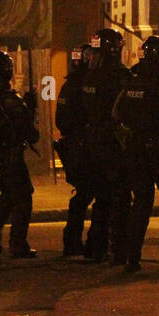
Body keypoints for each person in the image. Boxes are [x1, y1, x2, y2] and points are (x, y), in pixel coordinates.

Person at [112, 35, 159, 272]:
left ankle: (131, 256)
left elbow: (118, 115)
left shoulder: (131, 83)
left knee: (140, 204)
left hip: (135, 151)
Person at [0, 50, 41, 258]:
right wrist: (30, 111)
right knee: (23, 197)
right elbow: (31, 135)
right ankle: (17, 242)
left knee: (9, 194)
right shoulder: (12, 102)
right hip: (10, 158)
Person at [80, 28, 132, 262]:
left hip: (92, 142)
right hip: (112, 143)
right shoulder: (119, 76)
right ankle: (118, 248)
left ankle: (96, 246)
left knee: (102, 196)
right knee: (119, 196)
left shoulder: (89, 76)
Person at [57, 44, 93, 257]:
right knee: (93, 194)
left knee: (83, 194)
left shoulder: (69, 84)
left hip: (73, 146)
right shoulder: (82, 85)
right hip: (81, 147)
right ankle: (82, 242)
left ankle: (72, 240)